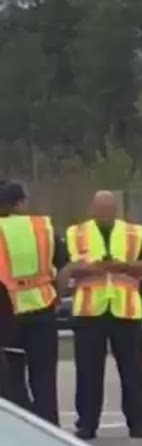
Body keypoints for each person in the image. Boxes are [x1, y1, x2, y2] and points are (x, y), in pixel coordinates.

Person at [64, 189, 142, 440]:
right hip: (90, 311)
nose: (105, 213)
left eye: (109, 208)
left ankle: (137, 422)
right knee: (88, 371)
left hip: (126, 310)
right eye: (100, 208)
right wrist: (92, 268)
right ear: (92, 209)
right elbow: (67, 269)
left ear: (116, 210)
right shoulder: (76, 233)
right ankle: (87, 423)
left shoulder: (133, 233)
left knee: (132, 371)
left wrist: (124, 266)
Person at [0, 179, 66, 424]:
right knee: (44, 376)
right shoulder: (42, 227)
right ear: (20, 204)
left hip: (6, 315)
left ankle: (21, 428)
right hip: (42, 310)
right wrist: (55, 293)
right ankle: (50, 427)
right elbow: (64, 266)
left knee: (11, 378)